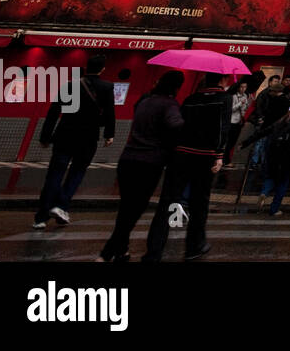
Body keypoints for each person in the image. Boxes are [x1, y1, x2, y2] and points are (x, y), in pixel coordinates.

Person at [143, 72, 232, 262]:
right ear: (223, 80)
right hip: (204, 156)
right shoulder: (224, 98)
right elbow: (222, 128)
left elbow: (178, 126)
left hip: (181, 154)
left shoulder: (191, 98)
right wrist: (219, 155)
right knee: (199, 203)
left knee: (167, 203)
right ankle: (194, 246)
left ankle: (154, 250)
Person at [99, 70, 184, 262]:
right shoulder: (170, 105)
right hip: (149, 162)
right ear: (176, 88)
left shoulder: (145, 101)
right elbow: (176, 125)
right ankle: (105, 254)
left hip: (128, 158)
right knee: (133, 211)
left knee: (126, 209)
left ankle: (122, 251)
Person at [33, 53, 116, 229]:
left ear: (86, 67)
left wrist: (45, 136)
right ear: (103, 70)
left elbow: (54, 112)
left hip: (65, 135)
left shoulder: (69, 86)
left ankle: (41, 218)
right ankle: (61, 206)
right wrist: (109, 134)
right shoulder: (107, 87)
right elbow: (109, 112)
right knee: (76, 173)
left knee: (54, 175)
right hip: (88, 137)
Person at [224, 81, 251, 168]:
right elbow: (231, 109)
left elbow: (244, 108)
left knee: (233, 142)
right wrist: (240, 103)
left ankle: (226, 159)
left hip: (239, 121)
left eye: (245, 87)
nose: (243, 89)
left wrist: (248, 103)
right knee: (228, 142)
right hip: (232, 121)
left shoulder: (245, 96)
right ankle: (225, 161)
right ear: (238, 87)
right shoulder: (234, 96)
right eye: (241, 87)